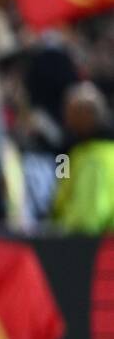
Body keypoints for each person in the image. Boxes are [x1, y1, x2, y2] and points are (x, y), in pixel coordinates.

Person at [52, 82, 114, 233]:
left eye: (71, 113)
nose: (67, 120)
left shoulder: (97, 158)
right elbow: (61, 185)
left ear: (87, 113)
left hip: (91, 249)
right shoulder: (71, 153)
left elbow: (87, 220)